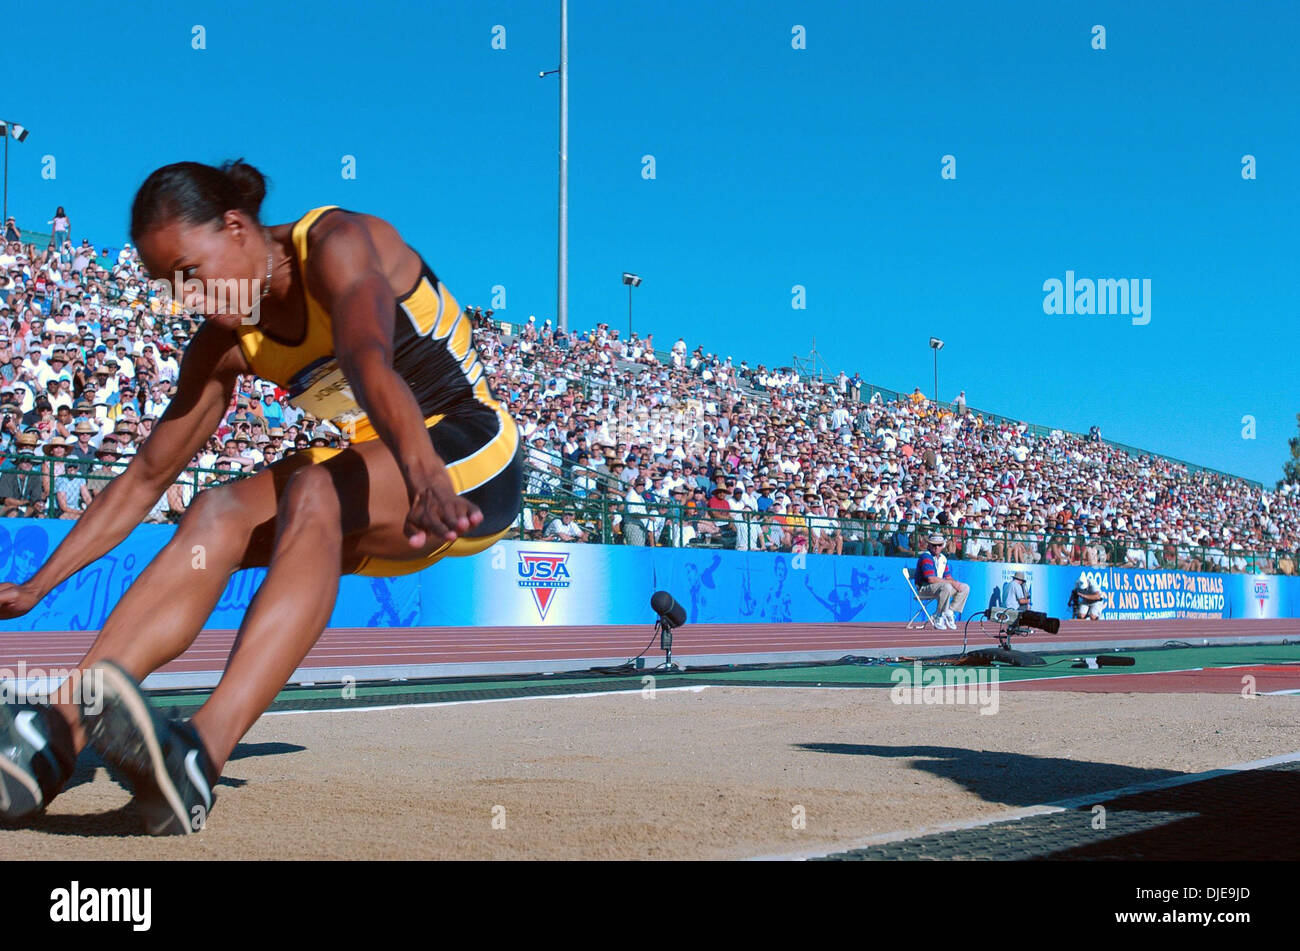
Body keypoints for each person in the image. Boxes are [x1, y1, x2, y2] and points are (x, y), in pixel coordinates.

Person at [0, 159, 522, 835]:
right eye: (169, 285)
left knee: (313, 484)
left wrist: (424, 473)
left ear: (237, 226)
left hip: (462, 460)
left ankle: (199, 751)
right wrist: (39, 584)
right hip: (371, 479)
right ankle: (57, 734)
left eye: (191, 269)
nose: (188, 296)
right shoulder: (225, 343)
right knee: (214, 511)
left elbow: (368, 357)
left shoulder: (334, 243)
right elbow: (145, 477)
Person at [914, 532, 969, 630]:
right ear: (929, 545)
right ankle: (939, 615)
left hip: (939, 587)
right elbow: (930, 579)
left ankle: (950, 611)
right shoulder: (926, 557)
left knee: (965, 587)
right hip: (924, 588)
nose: (936, 547)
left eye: (939, 545)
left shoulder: (943, 558)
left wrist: (956, 583)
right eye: (934, 545)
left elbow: (948, 577)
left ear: (942, 546)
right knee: (946, 586)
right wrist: (952, 583)